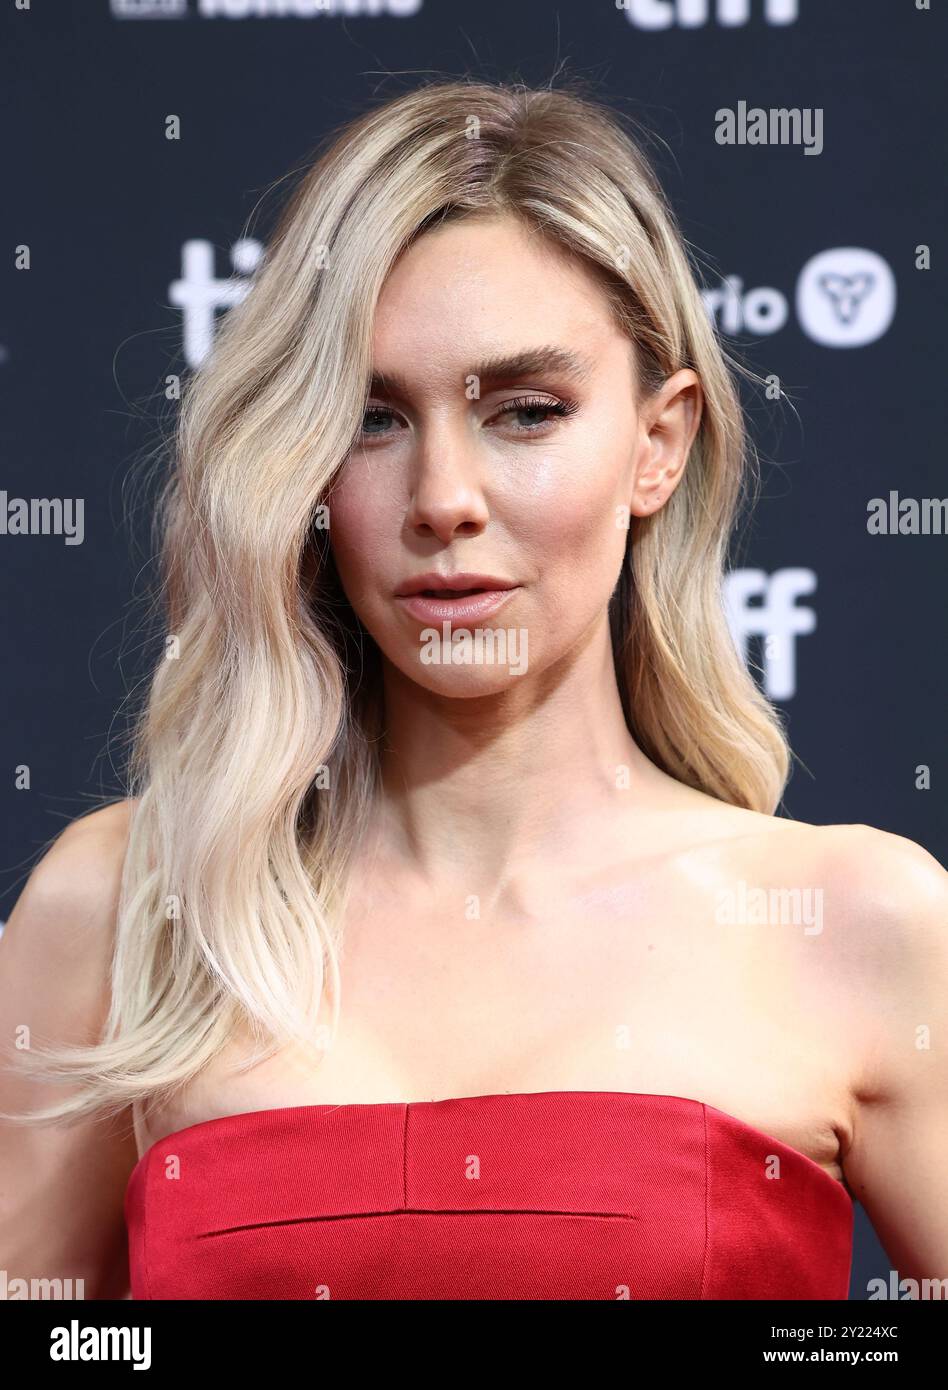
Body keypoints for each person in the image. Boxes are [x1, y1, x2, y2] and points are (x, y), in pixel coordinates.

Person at [1, 78, 946, 1301]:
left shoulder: (863, 924)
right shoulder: (129, 909)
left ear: (659, 443)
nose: (444, 496)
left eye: (526, 411)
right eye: (372, 417)